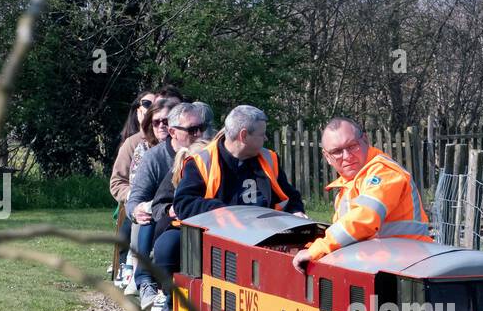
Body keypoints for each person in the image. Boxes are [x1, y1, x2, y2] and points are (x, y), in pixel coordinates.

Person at [293, 117, 431, 272]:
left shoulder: (384, 172)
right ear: (327, 157)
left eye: (352, 146)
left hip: (408, 271)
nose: (347, 156)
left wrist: (318, 249)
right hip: (381, 268)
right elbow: (347, 233)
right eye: (337, 151)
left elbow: (365, 218)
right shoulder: (349, 184)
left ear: (365, 140)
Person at [132, 102, 216, 311]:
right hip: (172, 222)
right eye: (192, 130)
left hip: (213, 225)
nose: (199, 134)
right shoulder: (161, 159)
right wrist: (166, 209)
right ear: (173, 132)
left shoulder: (215, 156)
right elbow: (146, 199)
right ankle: (146, 280)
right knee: (152, 226)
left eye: (202, 128)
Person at [173, 105, 304, 222]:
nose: (266, 138)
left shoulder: (269, 158)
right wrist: (221, 211)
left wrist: (295, 211)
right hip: (220, 233)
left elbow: (290, 196)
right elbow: (183, 203)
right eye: (262, 134)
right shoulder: (201, 162)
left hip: (265, 231)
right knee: (167, 246)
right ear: (244, 136)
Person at [110, 87, 181, 287]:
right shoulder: (136, 145)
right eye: (158, 121)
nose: (163, 126)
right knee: (138, 219)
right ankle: (135, 271)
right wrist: (134, 198)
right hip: (142, 202)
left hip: (169, 205)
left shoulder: (188, 148)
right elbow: (118, 181)